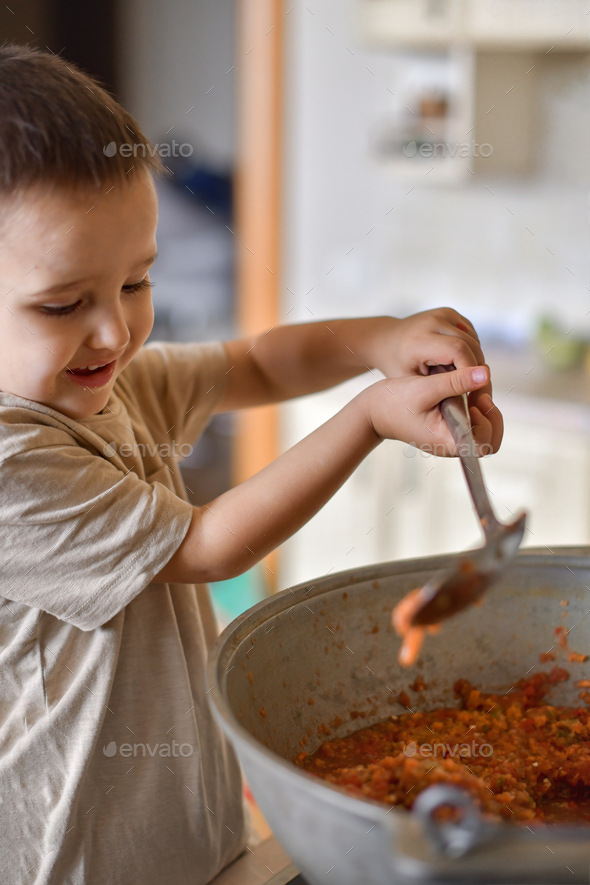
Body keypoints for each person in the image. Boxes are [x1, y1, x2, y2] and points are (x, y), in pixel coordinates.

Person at [0, 44, 503, 885]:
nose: (114, 333)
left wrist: (381, 338)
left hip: (193, 842)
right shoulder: (13, 458)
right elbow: (207, 547)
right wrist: (370, 418)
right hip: (75, 862)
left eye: (136, 282)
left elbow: (257, 363)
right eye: (63, 304)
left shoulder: (103, 385)